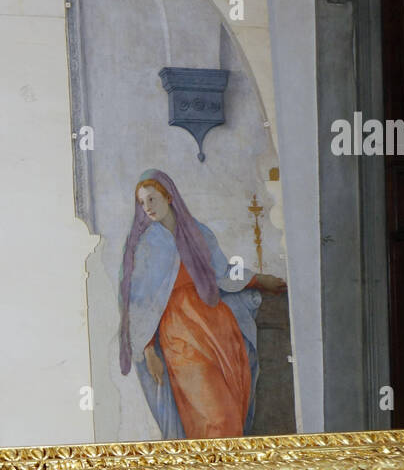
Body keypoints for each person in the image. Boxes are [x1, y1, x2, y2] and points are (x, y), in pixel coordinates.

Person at [118, 169, 286, 440]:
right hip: (180, 334)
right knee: (215, 416)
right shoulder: (146, 247)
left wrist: (258, 279)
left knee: (231, 410)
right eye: (141, 202)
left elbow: (222, 272)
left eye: (152, 199)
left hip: (218, 328)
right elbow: (139, 304)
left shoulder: (198, 233)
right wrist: (149, 351)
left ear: (169, 196)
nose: (146, 207)